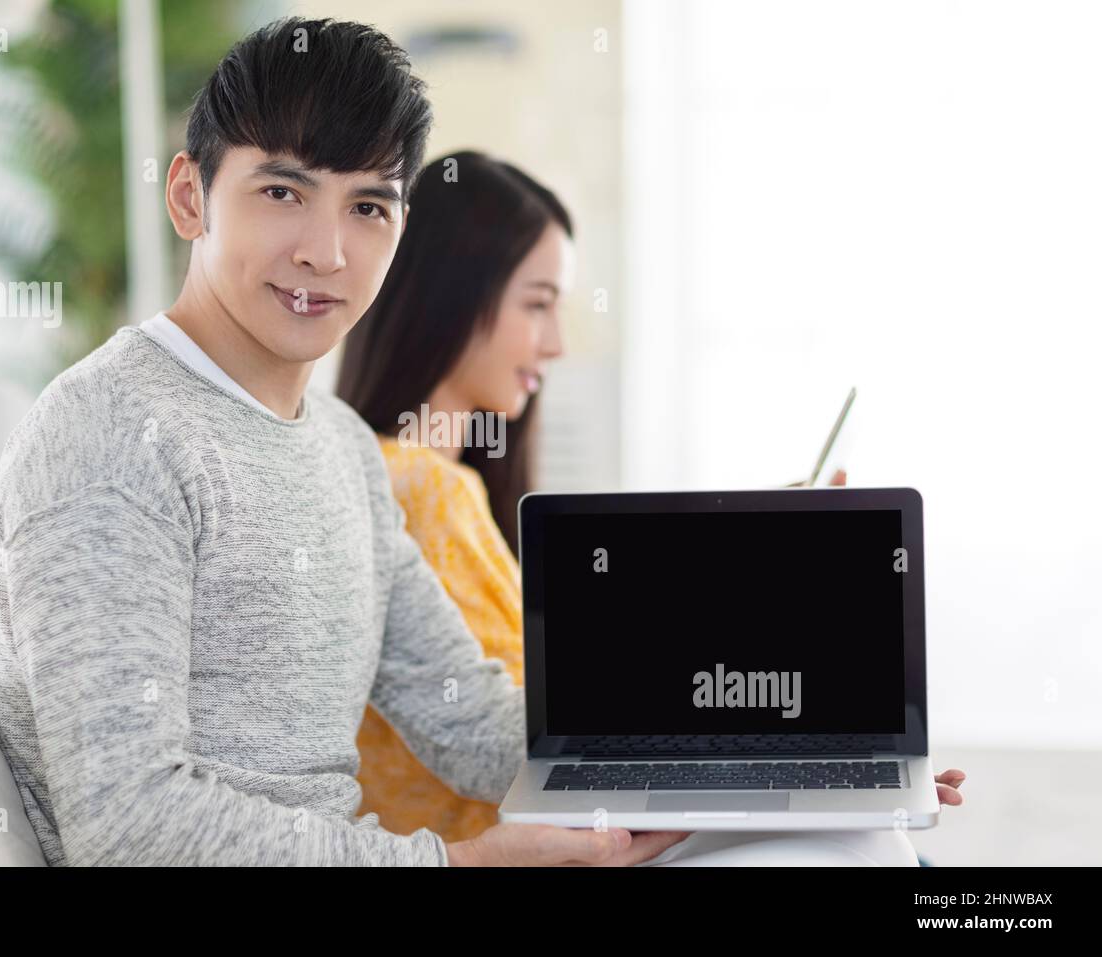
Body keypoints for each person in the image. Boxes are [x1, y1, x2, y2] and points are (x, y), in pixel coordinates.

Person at [0, 17, 683, 867]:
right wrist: (457, 865)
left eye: (369, 206)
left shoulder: (345, 450)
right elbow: (131, 829)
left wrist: (706, 753)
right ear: (189, 196)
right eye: (283, 192)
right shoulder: (108, 435)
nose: (327, 252)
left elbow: (470, 720)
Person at [338, 151, 966, 864]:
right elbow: (559, 720)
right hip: (527, 841)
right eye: (538, 303)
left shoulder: (410, 473)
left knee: (877, 836)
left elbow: (582, 698)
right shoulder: (419, 484)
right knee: (881, 847)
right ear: (451, 293)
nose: (558, 342)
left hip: (551, 829)